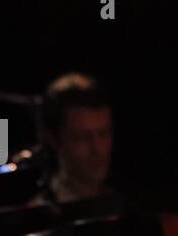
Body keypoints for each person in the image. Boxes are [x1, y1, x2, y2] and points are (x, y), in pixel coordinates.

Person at [31, 72, 120, 206]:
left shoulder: (124, 202)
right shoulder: (40, 217)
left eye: (104, 133)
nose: (98, 149)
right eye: (83, 138)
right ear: (53, 139)